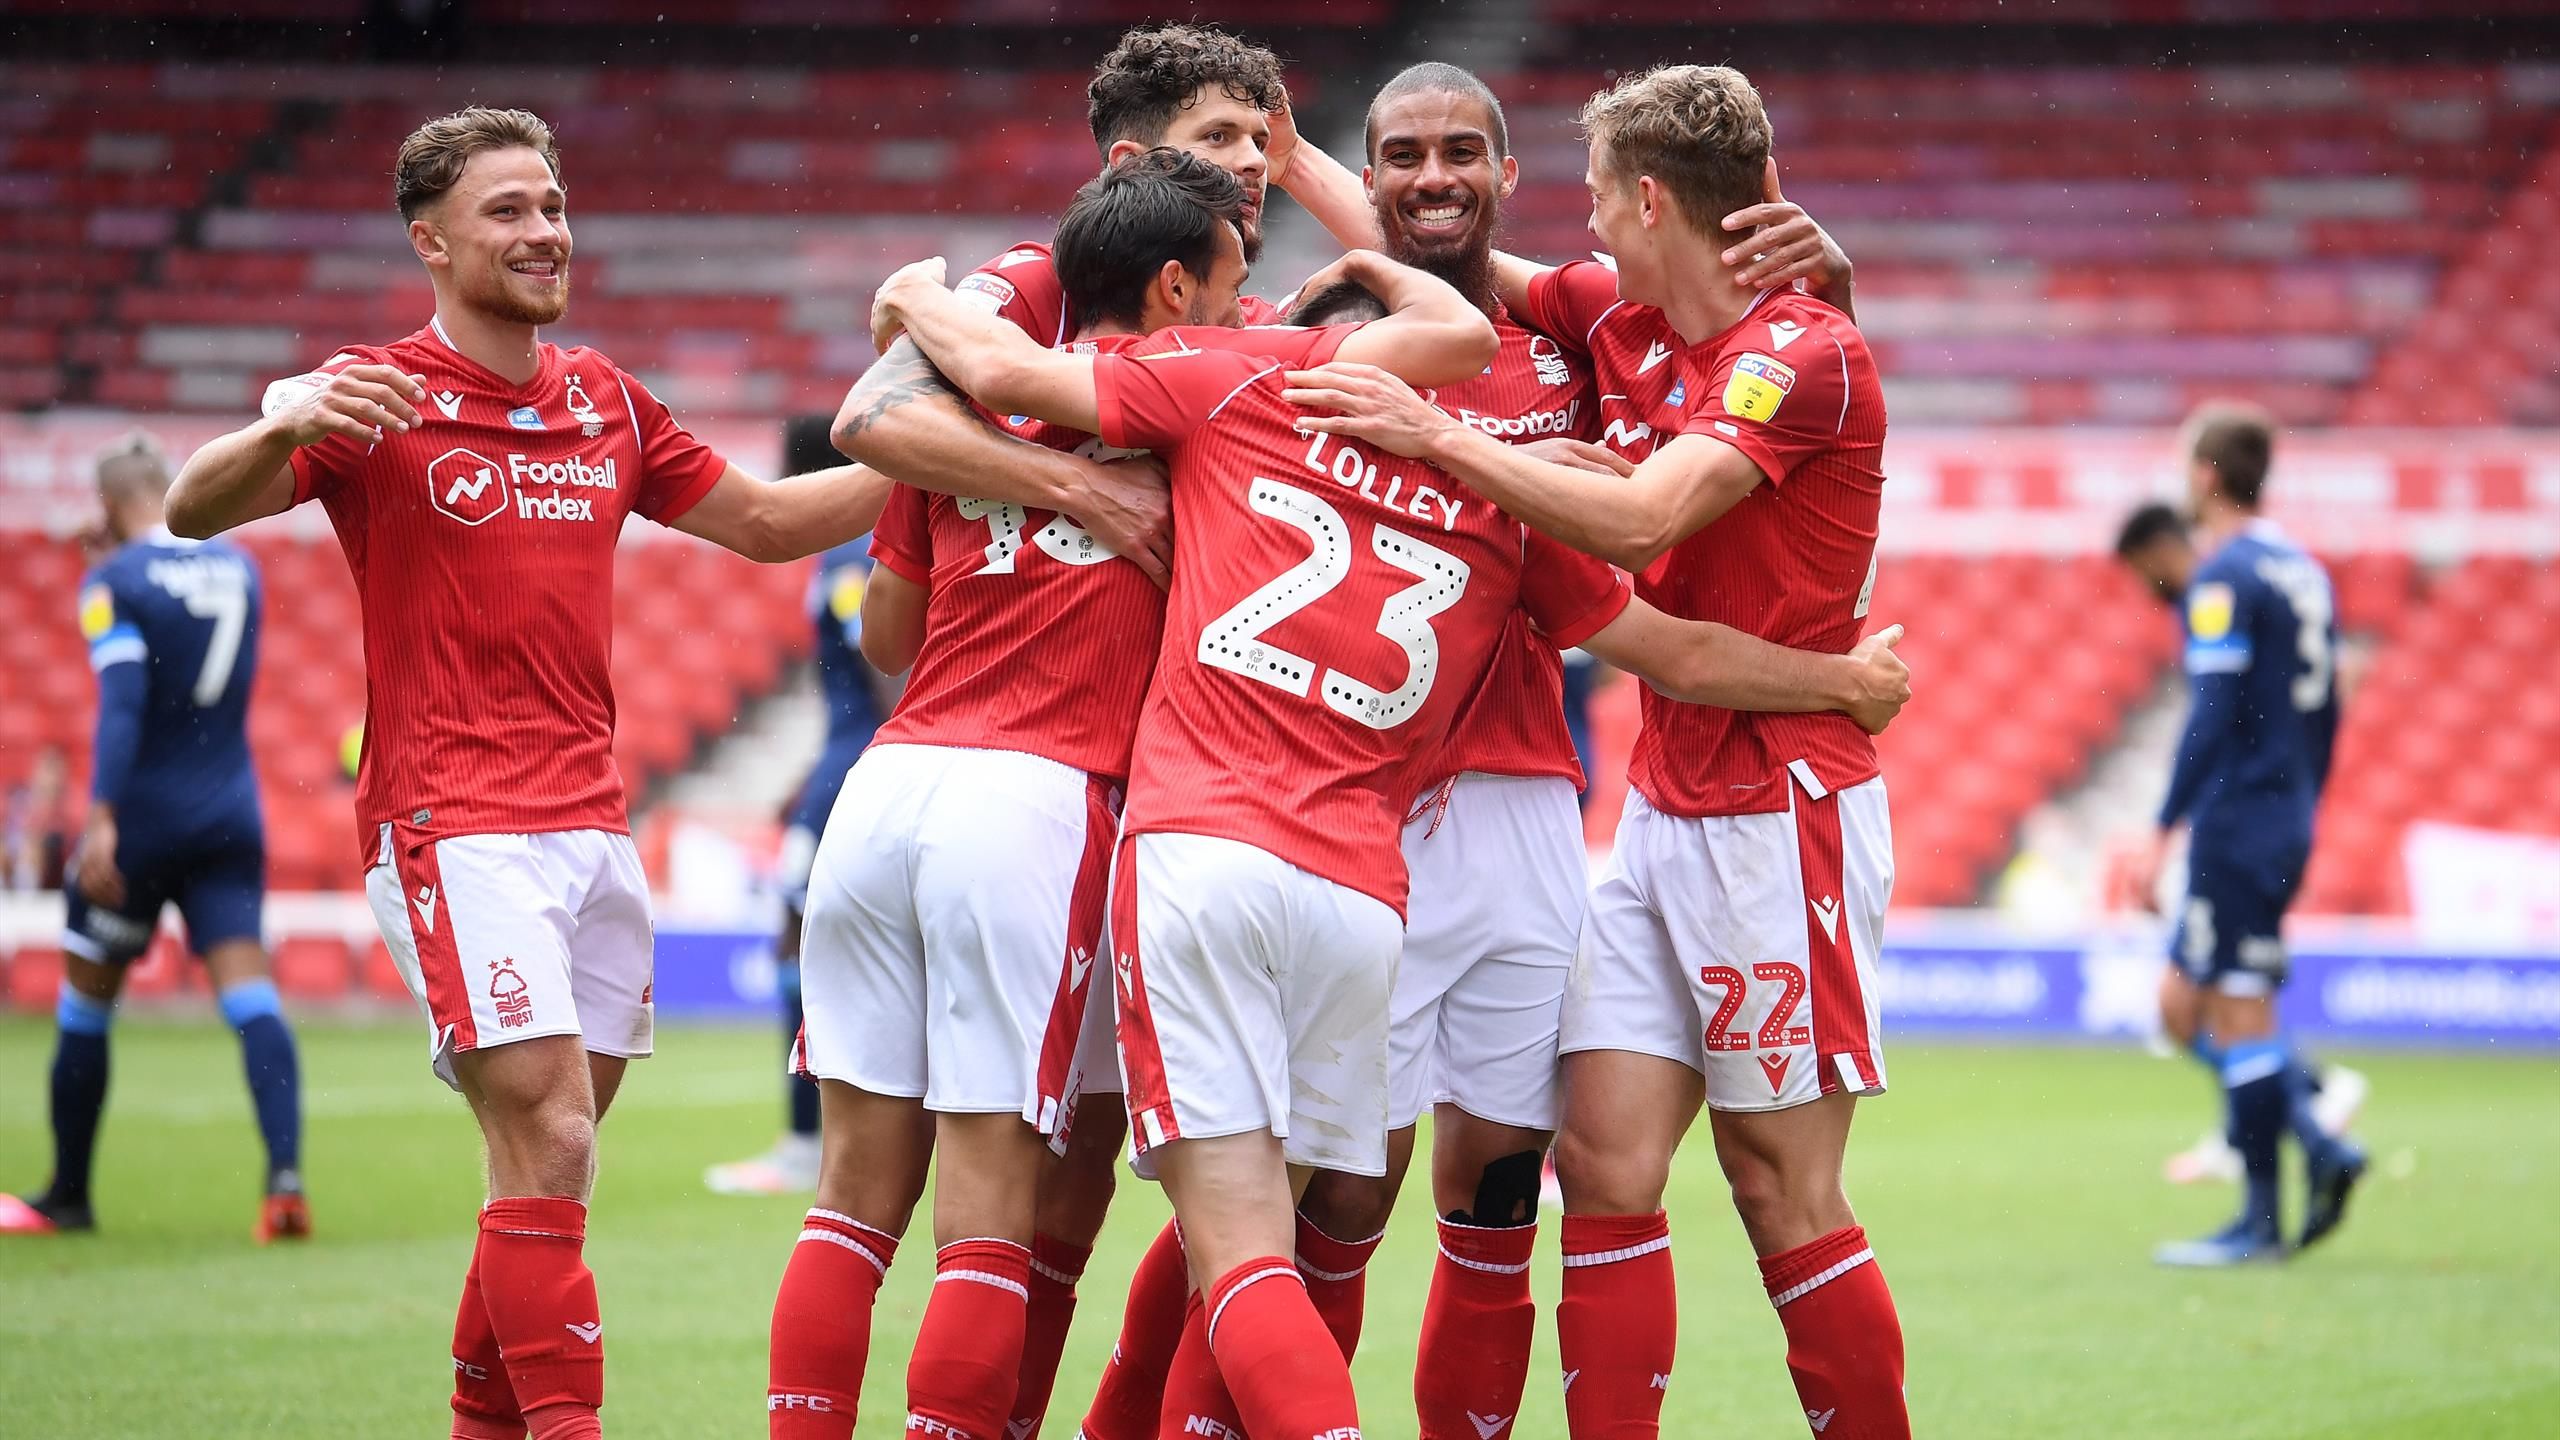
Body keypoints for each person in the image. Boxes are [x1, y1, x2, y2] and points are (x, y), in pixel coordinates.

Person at [872, 171, 1909, 1438]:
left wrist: (921, 288)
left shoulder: (1240, 379)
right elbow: (1655, 632)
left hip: (1222, 839)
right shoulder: (1503, 492)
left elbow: (995, 387)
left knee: (1262, 1225)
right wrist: (1843, 679)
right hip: (1367, 870)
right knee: (1479, 1186)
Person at [159, 106, 901, 1440]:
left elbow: (773, 519)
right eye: (508, 210)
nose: (545, 230)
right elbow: (192, 507)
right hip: (453, 823)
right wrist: (285, 422)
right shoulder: (373, 393)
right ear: (430, 241)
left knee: (545, 1165)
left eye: (551, 204)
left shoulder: (604, 397)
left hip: (591, 829)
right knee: (552, 1135)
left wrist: (931, 451)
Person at [1288, 63, 1914, 1439]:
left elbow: (1638, 524)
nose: (1575, 227)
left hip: (1782, 812)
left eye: (1588, 197)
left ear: (1643, 197)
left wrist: (1431, 434)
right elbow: (1438, 239)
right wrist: (1293, 159)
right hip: (1662, 813)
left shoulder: (1802, 350)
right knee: (1607, 1162)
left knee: (1775, 1185)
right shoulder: (1618, 320)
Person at [0, 434, 306, 1244]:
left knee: (86, 1004)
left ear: (104, 509)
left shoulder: (115, 581)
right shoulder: (240, 566)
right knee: (250, 997)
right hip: (230, 812)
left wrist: (100, 815)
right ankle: (284, 1180)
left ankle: (67, 1194)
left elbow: (127, 703)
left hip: (143, 821)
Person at [2127, 405, 2363, 1266]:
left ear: (2205, 476)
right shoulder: (2301, 569)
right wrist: (2300, 797)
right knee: (2189, 1007)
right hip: (2283, 808)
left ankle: (2261, 1223)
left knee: (2233, 1011)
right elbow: (2330, 703)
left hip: (2240, 818)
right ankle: (2320, 1144)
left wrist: (2160, 830)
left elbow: (2214, 713)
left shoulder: (2224, 578)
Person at [706, 415, 895, 1199]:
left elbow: (888, 665)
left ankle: (806, 1141)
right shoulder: (861, 550)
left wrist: (887, 757)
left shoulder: (852, 555)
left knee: (799, 943)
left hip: (860, 775)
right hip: (845, 765)